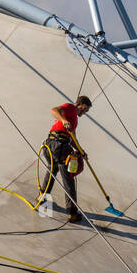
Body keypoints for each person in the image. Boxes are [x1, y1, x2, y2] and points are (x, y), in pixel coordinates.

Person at [39, 95, 92, 224]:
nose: (85, 113)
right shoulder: (70, 108)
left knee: (52, 170)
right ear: (82, 106)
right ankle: (72, 213)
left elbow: (73, 140)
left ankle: (42, 197)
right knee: (68, 178)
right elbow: (53, 110)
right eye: (86, 110)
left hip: (52, 145)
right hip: (59, 146)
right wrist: (63, 120)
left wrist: (82, 152)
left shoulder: (74, 120)